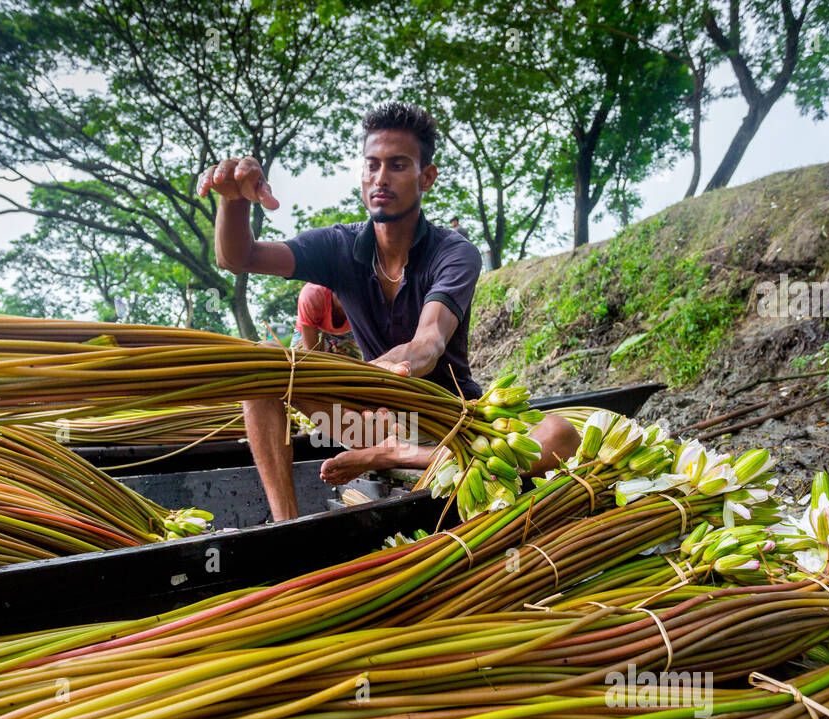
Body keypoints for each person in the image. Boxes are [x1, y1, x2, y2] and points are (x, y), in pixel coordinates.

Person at [198, 101, 578, 521]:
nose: (381, 178)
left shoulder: (455, 252)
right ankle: (288, 524)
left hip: (450, 419)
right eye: (371, 165)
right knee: (260, 369)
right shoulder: (339, 246)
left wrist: (366, 383)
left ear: (426, 177)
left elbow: (427, 344)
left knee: (560, 435)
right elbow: (239, 257)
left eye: (398, 165)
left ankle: (397, 455)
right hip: (373, 420)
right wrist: (234, 203)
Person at [295, 283, 361, 358]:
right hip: (310, 327)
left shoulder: (369, 300)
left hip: (346, 331)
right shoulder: (312, 294)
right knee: (299, 359)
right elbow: (310, 352)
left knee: (351, 364)